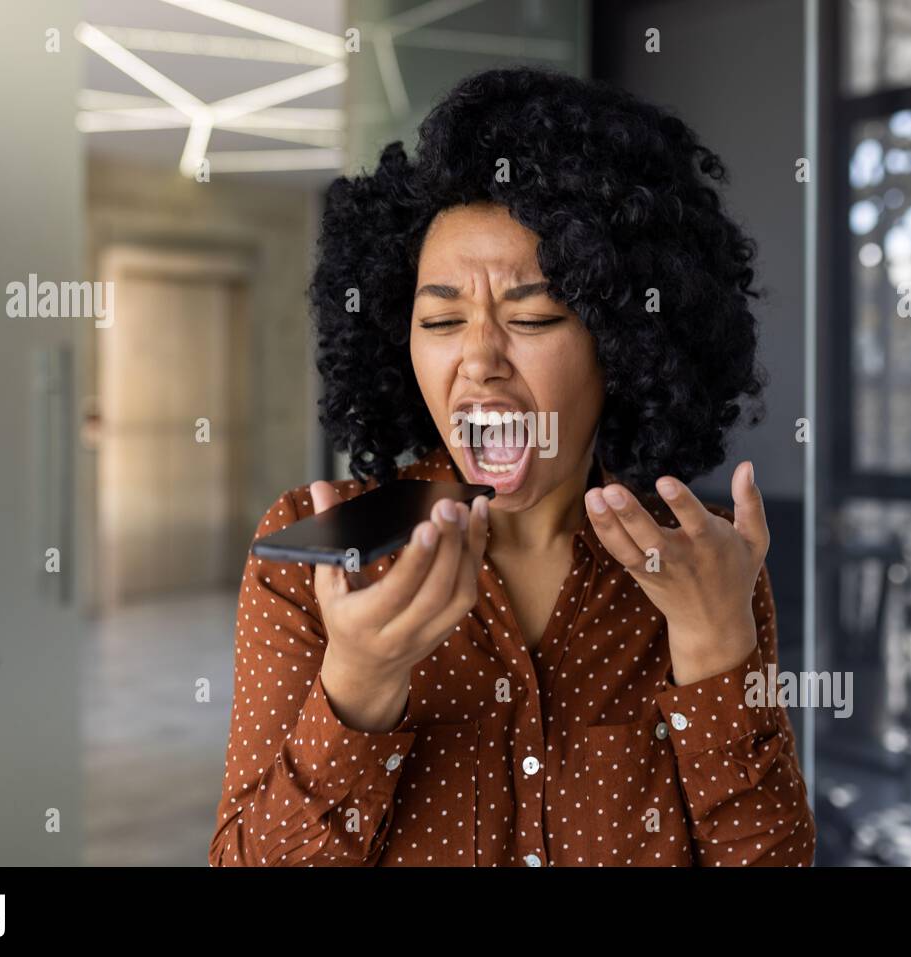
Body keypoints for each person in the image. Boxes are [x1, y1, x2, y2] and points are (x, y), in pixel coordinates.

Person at [209, 66, 815, 867]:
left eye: (532, 315)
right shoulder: (316, 564)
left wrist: (713, 645)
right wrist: (356, 685)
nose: (479, 359)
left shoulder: (704, 570)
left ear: (622, 341)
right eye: (442, 318)